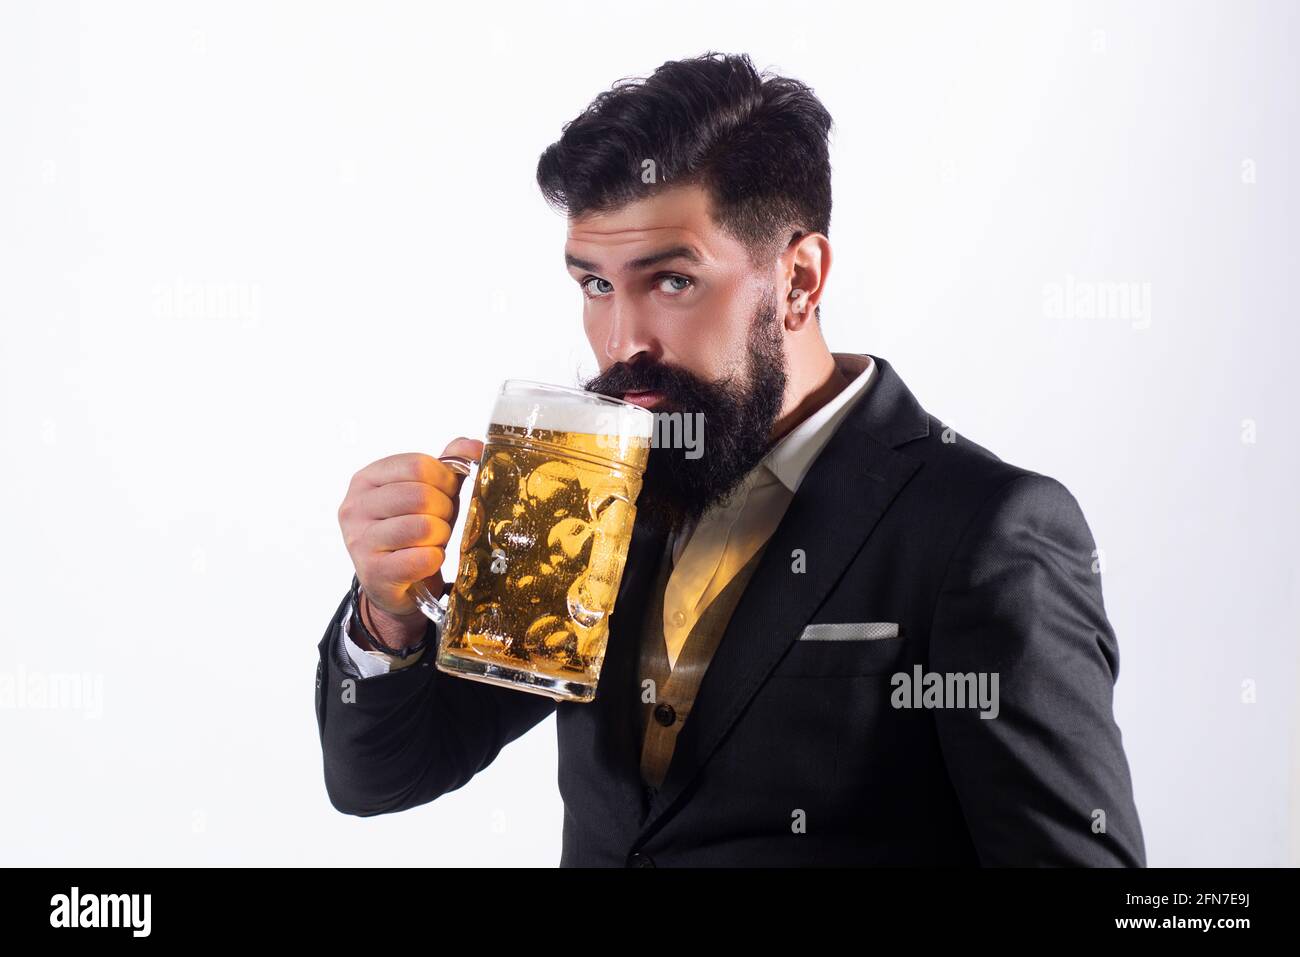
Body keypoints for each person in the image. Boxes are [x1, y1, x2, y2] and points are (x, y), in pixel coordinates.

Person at [316, 51, 1145, 867]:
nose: (622, 341)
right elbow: (385, 774)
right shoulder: (592, 491)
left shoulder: (985, 532)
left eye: (671, 281)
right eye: (595, 285)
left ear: (799, 280)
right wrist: (387, 615)